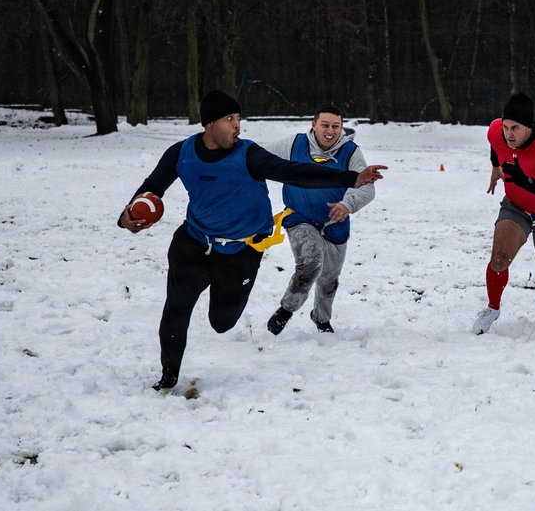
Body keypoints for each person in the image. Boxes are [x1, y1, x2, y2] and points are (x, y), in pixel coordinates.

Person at [118, 90, 386, 392]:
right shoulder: (181, 153)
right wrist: (128, 216)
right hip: (193, 243)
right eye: (229, 119)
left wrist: (351, 178)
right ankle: (168, 379)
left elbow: (295, 172)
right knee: (176, 308)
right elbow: (151, 187)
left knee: (222, 322)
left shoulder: (249, 155)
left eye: (238, 118)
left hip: (241, 251)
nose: (237, 125)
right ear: (209, 124)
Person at [263, 105, 375, 335]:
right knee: (310, 263)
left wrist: (347, 205)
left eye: (336, 126)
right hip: (299, 216)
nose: (330, 131)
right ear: (313, 125)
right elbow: (260, 158)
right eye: (325, 125)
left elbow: (367, 188)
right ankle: (286, 309)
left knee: (329, 279)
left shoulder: (351, 152)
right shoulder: (294, 144)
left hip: (335, 225)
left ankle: (321, 319)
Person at [473, 93, 535, 335]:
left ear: (528, 127)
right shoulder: (498, 132)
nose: (509, 134)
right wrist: (496, 166)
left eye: (515, 128)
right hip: (515, 207)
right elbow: (494, 142)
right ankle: (492, 308)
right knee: (499, 257)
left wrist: (525, 181)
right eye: (506, 127)